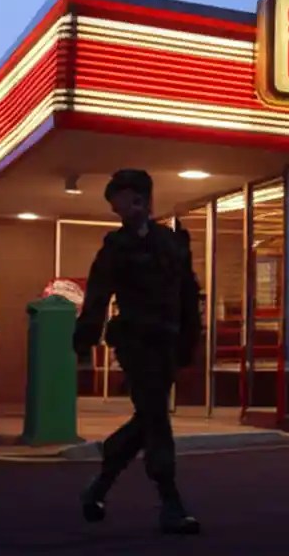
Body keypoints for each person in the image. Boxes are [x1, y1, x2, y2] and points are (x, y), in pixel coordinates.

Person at [72, 169, 203, 536]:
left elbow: (188, 297)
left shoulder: (173, 243)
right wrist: (84, 344)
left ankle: (99, 486)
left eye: (125, 197)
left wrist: (189, 343)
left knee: (149, 417)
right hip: (135, 344)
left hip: (166, 344)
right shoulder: (115, 248)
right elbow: (97, 299)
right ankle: (170, 502)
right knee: (156, 418)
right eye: (116, 200)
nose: (120, 206)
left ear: (142, 199)